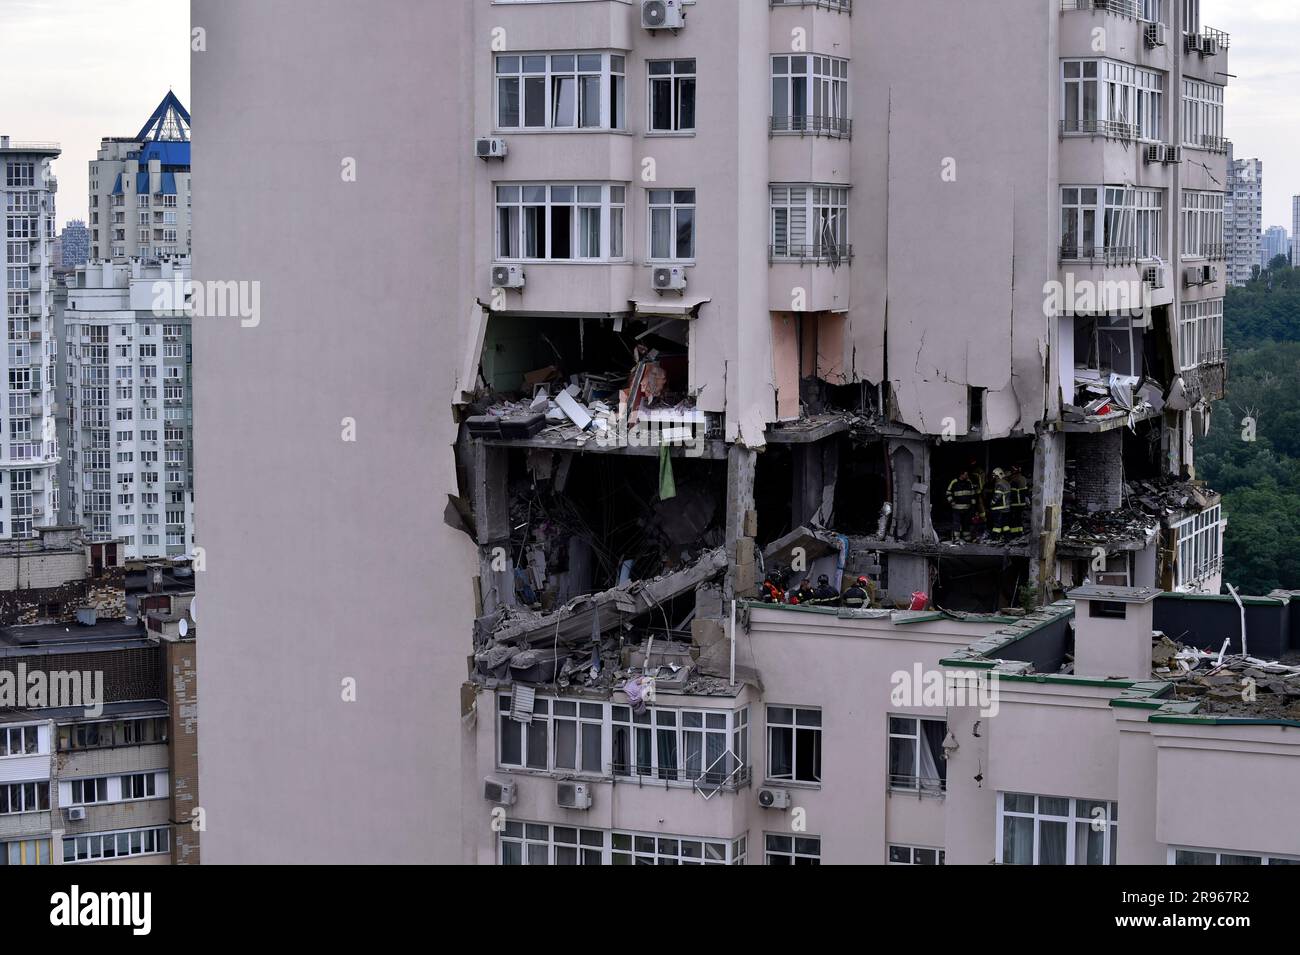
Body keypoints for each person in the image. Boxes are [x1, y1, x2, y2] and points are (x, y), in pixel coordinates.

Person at [946, 470, 977, 541]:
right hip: (957, 508)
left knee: (966, 523)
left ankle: (967, 538)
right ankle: (956, 538)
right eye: (966, 475)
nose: (967, 476)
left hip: (967, 507)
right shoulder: (954, 482)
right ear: (961, 475)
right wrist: (951, 501)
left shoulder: (969, 482)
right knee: (957, 523)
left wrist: (973, 506)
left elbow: (972, 494)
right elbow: (948, 493)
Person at [989, 468, 1013, 542]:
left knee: (997, 525)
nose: (993, 478)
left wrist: (991, 503)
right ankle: (1007, 538)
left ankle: (994, 538)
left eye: (994, 476)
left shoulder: (999, 484)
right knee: (1006, 525)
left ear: (997, 476)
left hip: (998, 508)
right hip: (1006, 508)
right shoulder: (1006, 483)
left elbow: (997, 496)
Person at [1007, 465, 1030, 539]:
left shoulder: (1014, 480)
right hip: (1022, 503)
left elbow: (1011, 491)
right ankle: (1019, 533)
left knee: (1014, 519)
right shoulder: (1023, 478)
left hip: (1015, 503)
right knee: (1019, 519)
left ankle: (1014, 535)